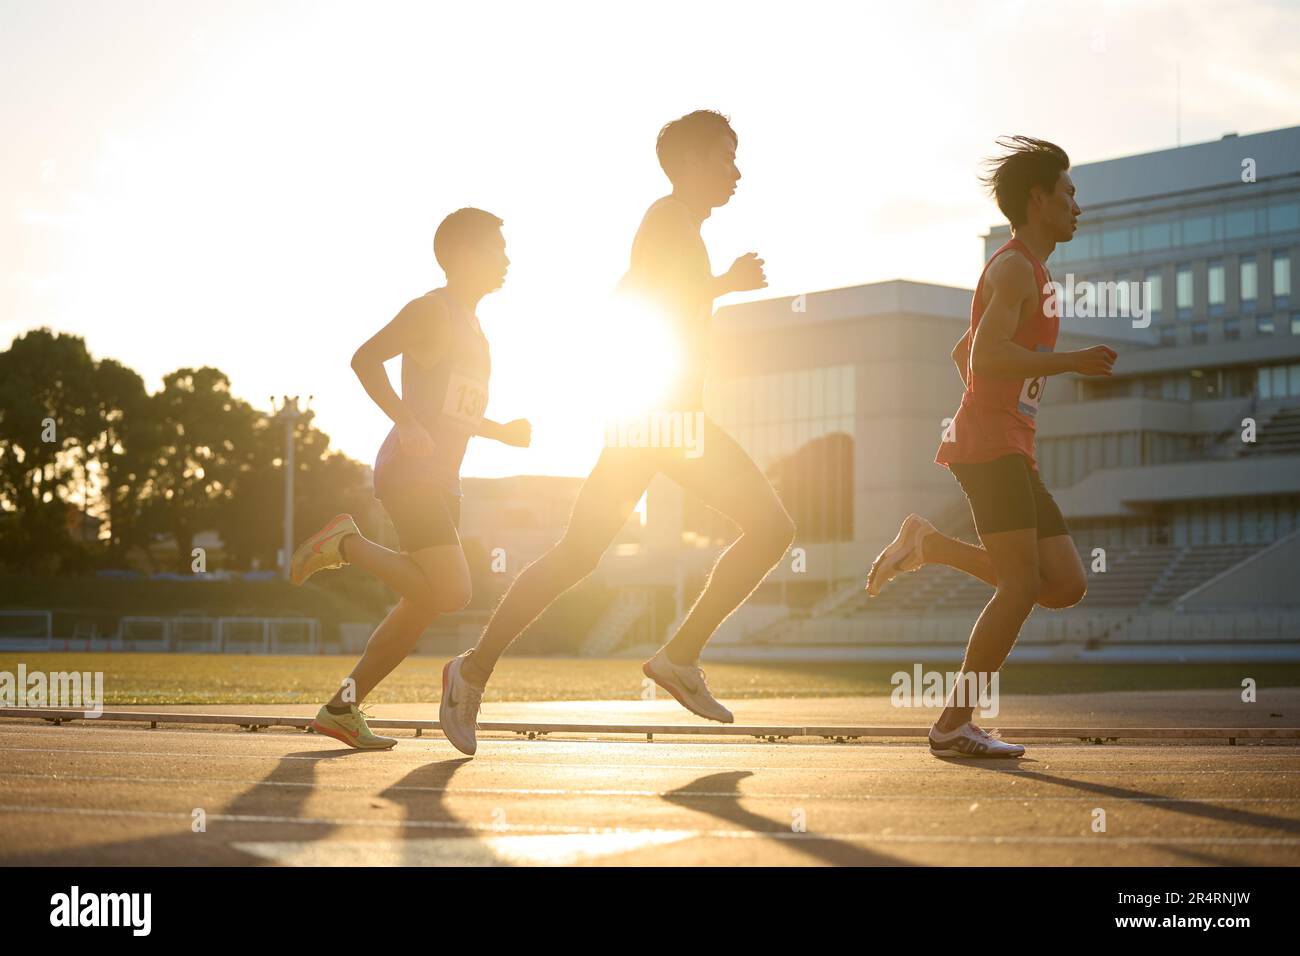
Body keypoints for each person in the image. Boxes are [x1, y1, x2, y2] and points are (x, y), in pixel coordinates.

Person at [438, 110, 796, 756]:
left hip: (652, 416)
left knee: (578, 555)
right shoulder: (666, 219)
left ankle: (473, 670)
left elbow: (637, 299)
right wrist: (727, 284)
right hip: (662, 419)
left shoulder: (678, 226)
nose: (737, 171)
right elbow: (660, 298)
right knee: (772, 529)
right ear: (688, 163)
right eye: (724, 157)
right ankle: (677, 658)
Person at [865, 137, 1117, 758]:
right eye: (1068, 193)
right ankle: (954, 724)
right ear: (1038, 199)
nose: (1077, 205)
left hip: (1004, 442)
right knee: (1019, 586)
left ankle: (932, 545)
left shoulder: (1032, 272)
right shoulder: (1011, 268)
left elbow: (966, 355)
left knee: (1061, 583)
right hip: (991, 446)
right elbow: (982, 356)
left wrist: (996, 406)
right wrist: (1068, 363)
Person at [289, 207, 530, 749]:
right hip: (410, 471)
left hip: (445, 481)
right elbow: (364, 359)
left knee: (419, 609)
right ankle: (344, 544)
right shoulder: (431, 311)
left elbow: (455, 413)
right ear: (464, 255)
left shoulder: (475, 330)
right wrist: (405, 420)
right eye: (498, 247)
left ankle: (341, 709)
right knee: (454, 591)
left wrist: (501, 433)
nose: (508, 258)